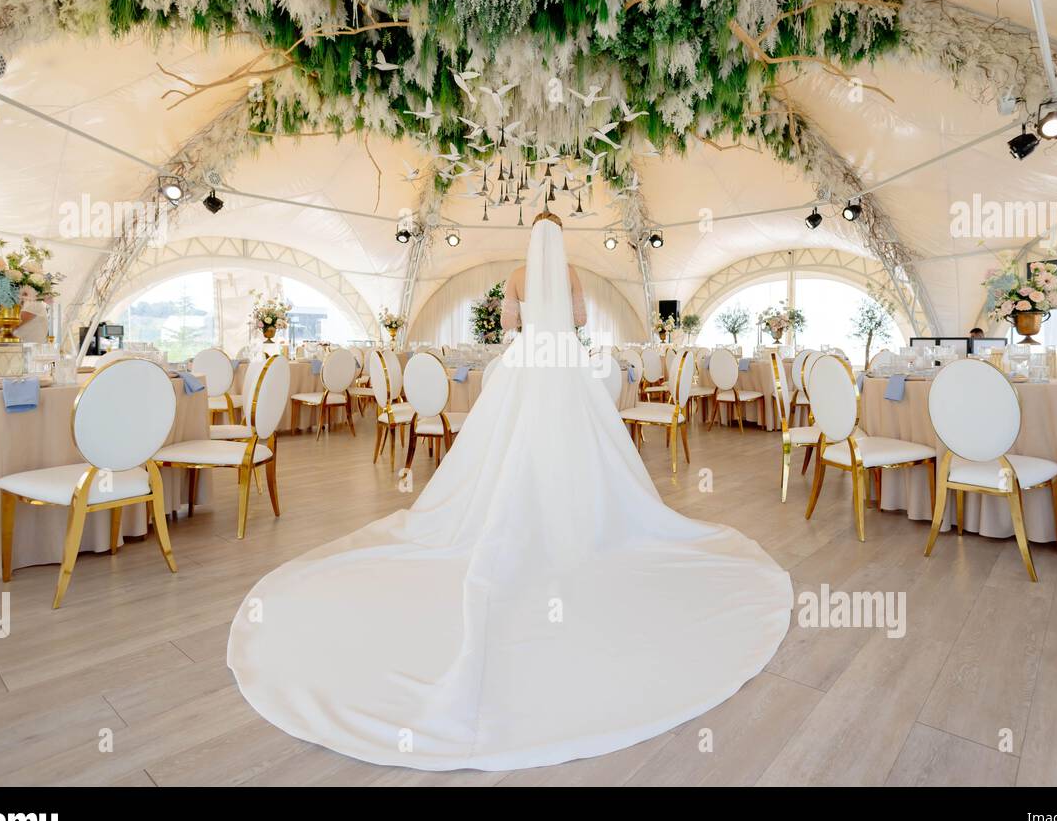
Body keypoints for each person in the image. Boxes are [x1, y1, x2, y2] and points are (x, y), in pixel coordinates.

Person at [227, 213, 793, 771]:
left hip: (527, 362)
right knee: (581, 443)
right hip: (564, 363)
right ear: (560, 242)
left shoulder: (519, 277)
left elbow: (509, 326)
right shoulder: (571, 274)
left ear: (530, 242)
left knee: (503, 444)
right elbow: (577, 318)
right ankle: (580, 521)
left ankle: (508, 513)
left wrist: (528, 331)